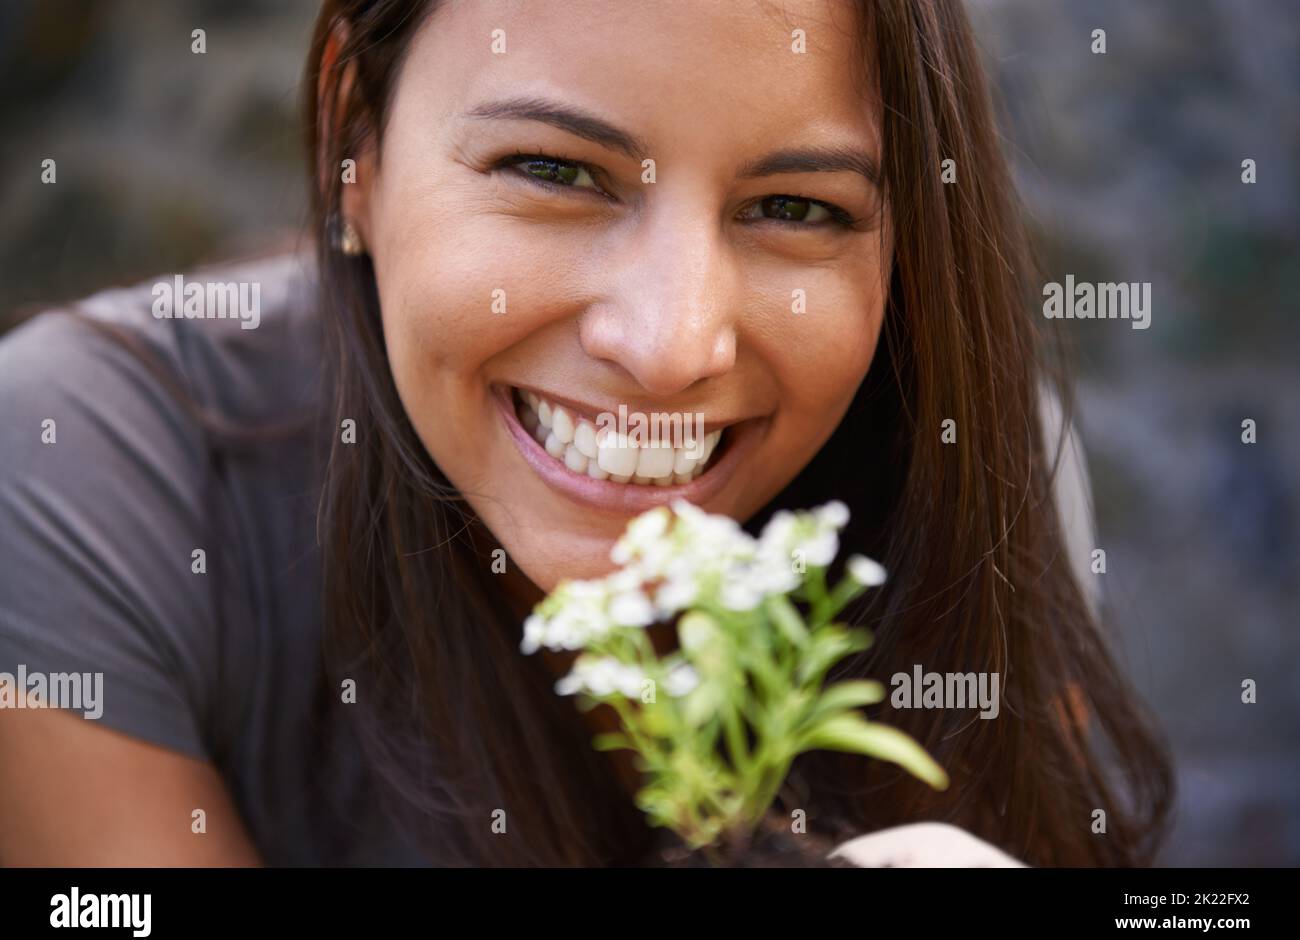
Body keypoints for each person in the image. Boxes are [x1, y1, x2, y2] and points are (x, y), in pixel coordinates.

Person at [0, 0, 1172, 867]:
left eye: (796, 208)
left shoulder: (975, 471)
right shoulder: (82, 464)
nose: (670, 344)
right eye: (556, 170)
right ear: (353, 136)